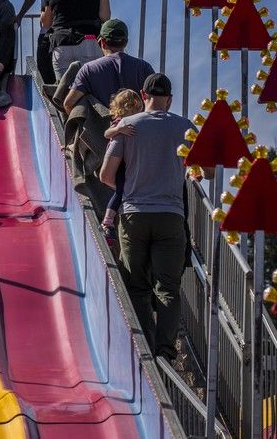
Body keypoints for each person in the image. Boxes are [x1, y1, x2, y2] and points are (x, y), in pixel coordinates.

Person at [98, 73, 194, 360]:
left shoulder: (128, 126)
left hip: (134, 216)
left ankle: (145, 350)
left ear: (143, 95)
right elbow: (203, 169)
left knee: (137, 284)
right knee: (168, 286)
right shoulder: (185, 127)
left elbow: (105, 175)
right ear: (170, 99)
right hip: (171, 215)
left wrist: (133, 190)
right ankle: (166, 351)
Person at [39, 0, 110, 80]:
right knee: (93, 89)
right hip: (90, 40)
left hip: (61, 42)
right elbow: (105, 16)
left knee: (65, 94)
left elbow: (46, 23)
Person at [62, 19, 155, 114]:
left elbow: (68, 104)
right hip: (137, 127)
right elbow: (157, 103)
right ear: (126, 42)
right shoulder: (144, 67)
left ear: (102, 42)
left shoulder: (89, 69)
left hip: (104, 128)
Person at [99, 88, 143, 244]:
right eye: (131, 109)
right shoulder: (119, 122)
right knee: (120, 191)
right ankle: (107, 223)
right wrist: (119, 129)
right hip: (118, 163)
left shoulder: (132, 123)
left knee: (122, 191)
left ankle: (111, 224)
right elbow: (106, 134)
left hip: (126, 161)